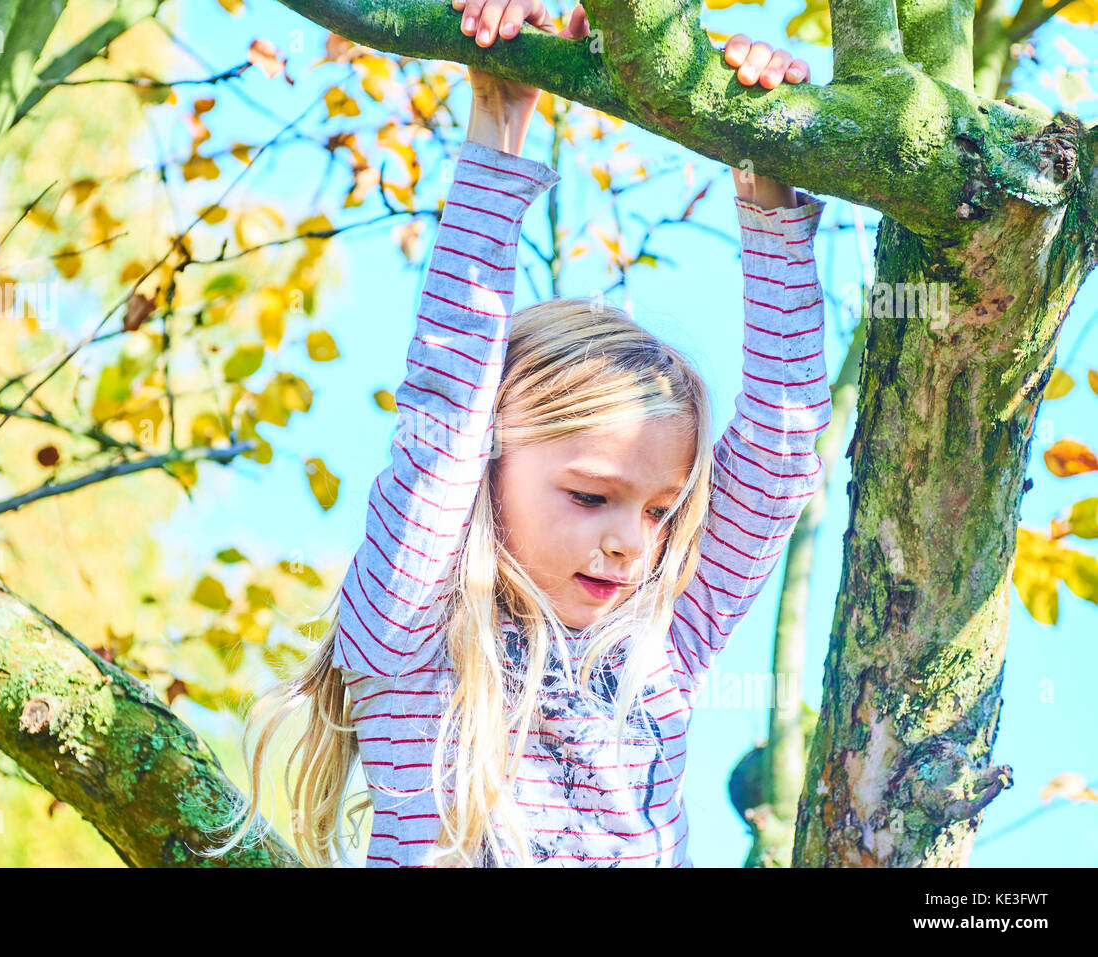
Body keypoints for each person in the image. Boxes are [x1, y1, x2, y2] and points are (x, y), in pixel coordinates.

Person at [198, 2, 828, 867]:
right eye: (591, 494)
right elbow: (446, 412)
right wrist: (499, 121)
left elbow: (783, 454)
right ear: (488, 466)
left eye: (658, 512)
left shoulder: (659, 643)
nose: (628, 543)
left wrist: (768, 178)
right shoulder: (409, 634)